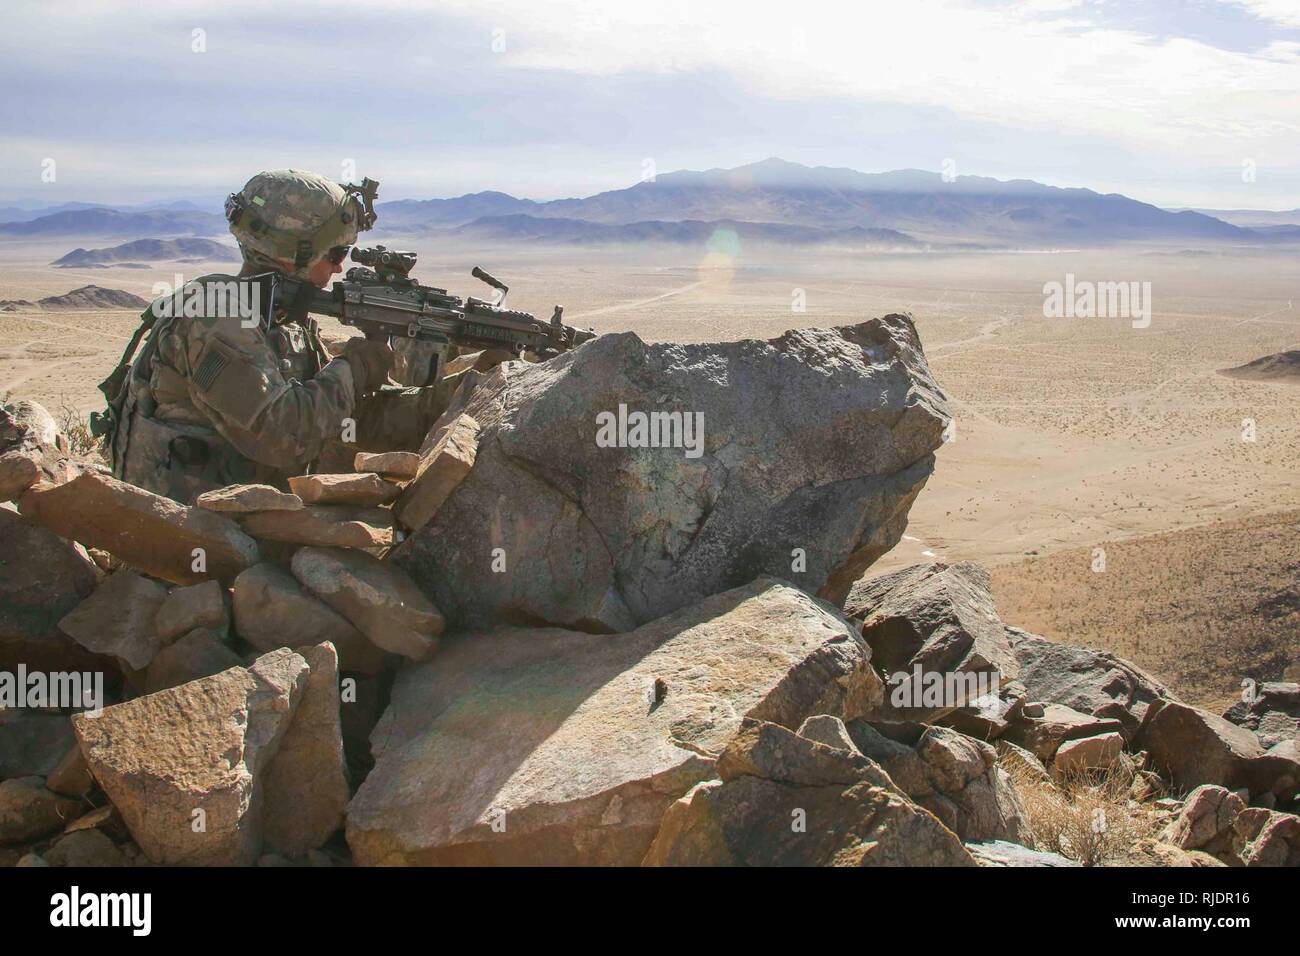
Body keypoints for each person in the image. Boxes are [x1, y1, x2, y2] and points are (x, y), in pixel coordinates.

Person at [96, 169, 455, 504]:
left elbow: (341, 416)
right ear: (294, 252)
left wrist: (451, 399)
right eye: (335, 253)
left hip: (246, 524)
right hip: (189, 534)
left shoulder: (280, 318)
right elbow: (285, 437)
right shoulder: (213, 316)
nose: (339, 267)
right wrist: (356, 366)